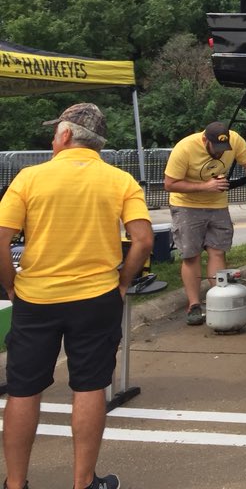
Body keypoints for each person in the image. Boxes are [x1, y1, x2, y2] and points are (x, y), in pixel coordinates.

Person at [0, 103, 154, 489]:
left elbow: (0, 240)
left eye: (55, 134)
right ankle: (83, 483)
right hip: (96, 297)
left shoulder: (29, 177)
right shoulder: (120, 180)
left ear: (66, 135)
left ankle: (15, 483)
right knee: (88, 386)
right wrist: (122, 280)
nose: (53, 139)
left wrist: (11, 286)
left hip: (35, 299)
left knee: (23, 389)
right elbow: (143, 240)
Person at [164, 121, 246, 325]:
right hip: (187, 206)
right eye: (217, 149)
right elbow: (169, 184)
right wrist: (206, 186)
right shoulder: (185, 148)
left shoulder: (235, 140)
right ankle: (194, 305)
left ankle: (218, 300)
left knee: (217, 251)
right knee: (191, 255)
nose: (221, 154)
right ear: (205, 140)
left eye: (224, 149)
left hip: (217, 205)